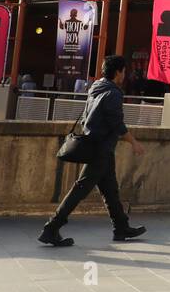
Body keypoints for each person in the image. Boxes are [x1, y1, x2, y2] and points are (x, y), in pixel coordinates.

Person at [39, 55, 147, 247]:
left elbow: (86, 118)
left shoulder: (96, 88)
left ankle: (121, 227)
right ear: (118, 72)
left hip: (98, 146)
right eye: (123, 71)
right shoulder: (113, 93)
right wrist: (134, 142)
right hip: (101, 149)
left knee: (111, 191)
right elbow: (117, 124)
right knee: (80, 189)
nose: (125, 74)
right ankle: (51, 228)